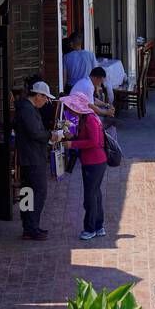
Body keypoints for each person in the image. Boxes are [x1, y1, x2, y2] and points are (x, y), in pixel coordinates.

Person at [14, 80, 60, 241]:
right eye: (46, 98)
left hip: (29, 156)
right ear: (38, 95)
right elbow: (35, 132)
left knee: (27, 192)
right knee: (37, 192)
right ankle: (31, 227)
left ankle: (28, 226)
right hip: (33, 157)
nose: (47, 101)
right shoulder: (27, 110)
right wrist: (50, 135)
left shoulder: (27, 108)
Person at [61, 92, 107, 241]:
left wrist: (73, 143)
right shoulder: (86, 119)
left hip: (94, 162)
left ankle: (90, 228)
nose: (69, 110)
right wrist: (72, 138)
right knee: (95, 194)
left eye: (71, 107)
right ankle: (98, 226)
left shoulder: (90, 120)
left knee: (90, 196)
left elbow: (93, 141)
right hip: (93, 161)